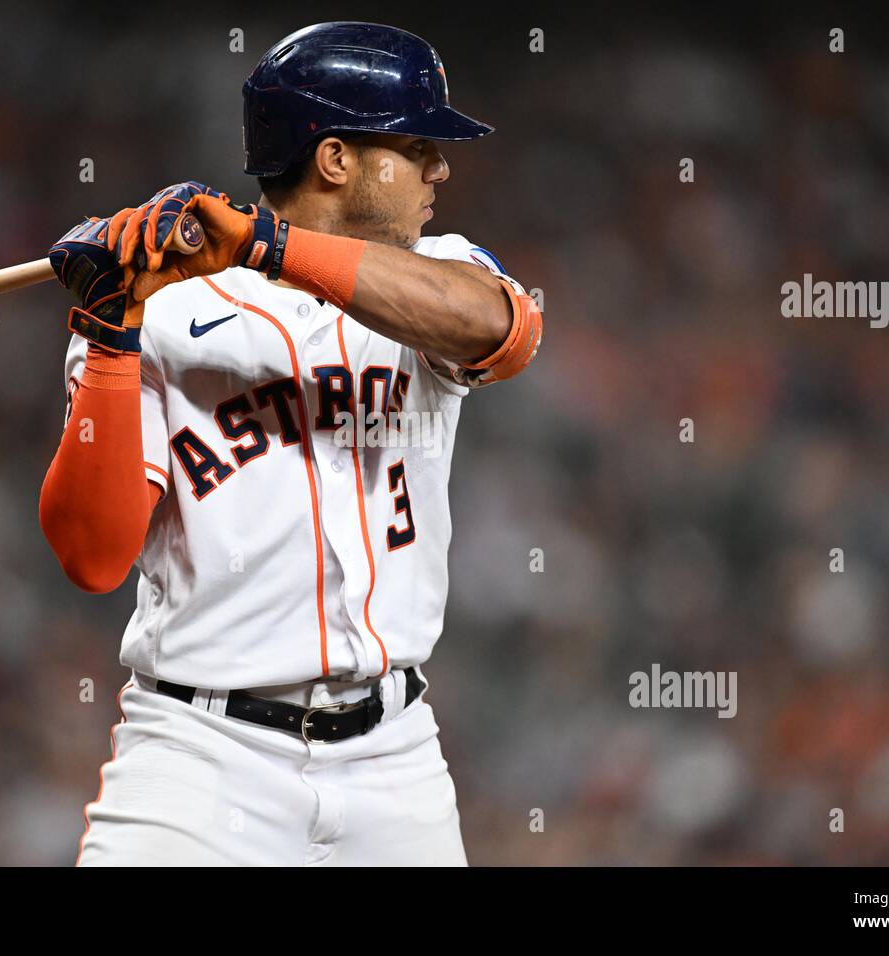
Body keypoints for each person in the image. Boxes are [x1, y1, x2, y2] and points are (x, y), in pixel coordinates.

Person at [40, 21, 542, 865]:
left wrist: (264, 247)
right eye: (417, 144)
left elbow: (503, 329)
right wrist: (109, 331)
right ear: (336, 159)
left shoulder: (438, 270)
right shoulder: (161, 312)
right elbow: (92, 558)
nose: (440, 168)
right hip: (202, 757)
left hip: (396, 757)